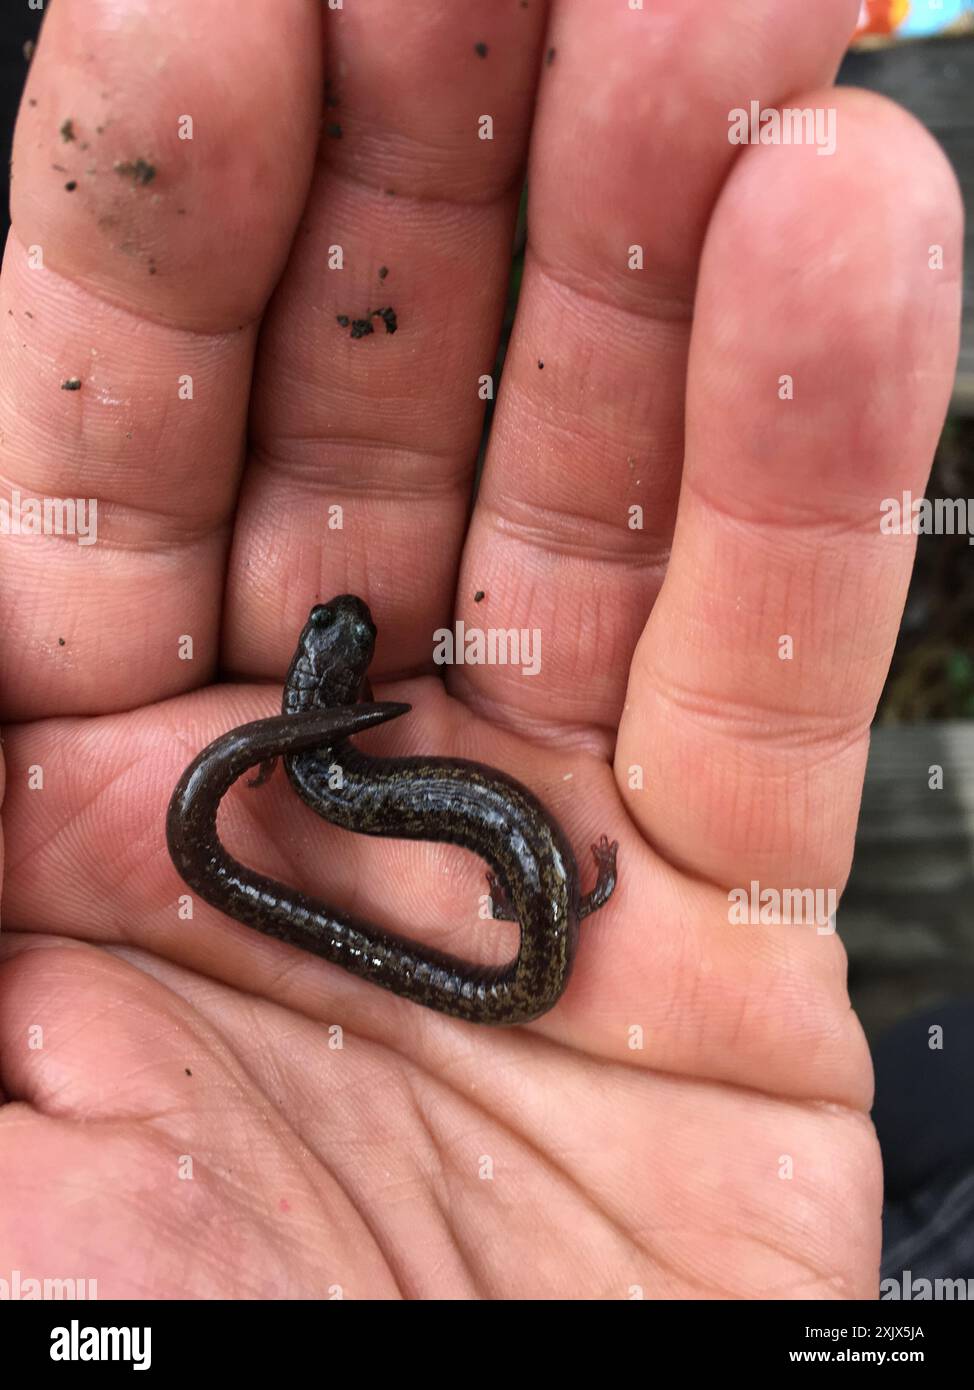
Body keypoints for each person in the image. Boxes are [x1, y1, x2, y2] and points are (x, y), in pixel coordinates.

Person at [0, 0, 961, 1298]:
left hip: (518, 926)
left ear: (322, 703)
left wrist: (543, 887)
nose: (346, 647)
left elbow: (372, 791)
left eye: (331, 678)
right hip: (522, 938)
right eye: (338, 665)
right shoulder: (342, 785)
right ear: (331, 696)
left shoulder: (329, 778)